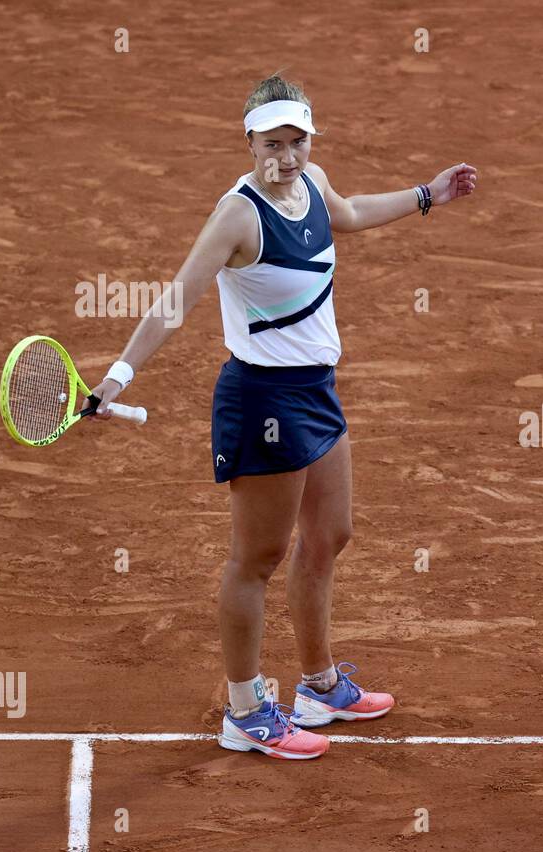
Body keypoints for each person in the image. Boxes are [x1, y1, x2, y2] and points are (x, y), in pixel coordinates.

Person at [88, 74, 477, 759]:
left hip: (317, 391)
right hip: (262, 401)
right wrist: (118, 376)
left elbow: (349, 212)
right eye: (273, 145)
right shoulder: (237, 217)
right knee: (257, 558)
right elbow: (175, 301)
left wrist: (427, 195)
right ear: (250, 143)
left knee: (331, 535)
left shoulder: (312, 183)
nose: (287, 157)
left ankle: (320, 686)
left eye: (297, 142)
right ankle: (244, 709)